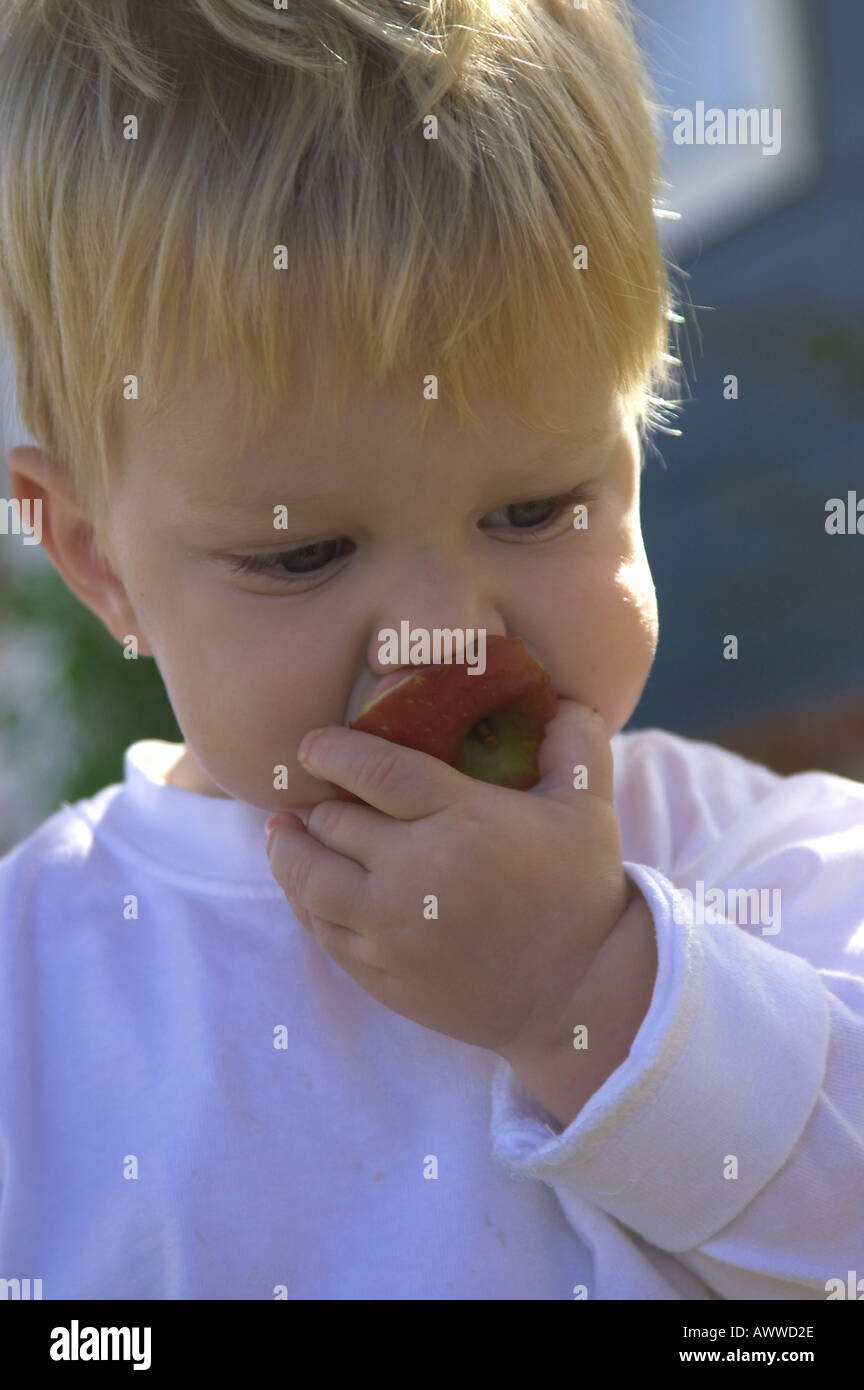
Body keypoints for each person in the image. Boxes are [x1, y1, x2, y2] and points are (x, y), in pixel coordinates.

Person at [1, 0, 861, 1301]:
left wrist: (589, 980)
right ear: (98, 561)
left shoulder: (769, 866)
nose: (445, 630)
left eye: (532, 510)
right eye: (305, 553)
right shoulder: (42, 990)